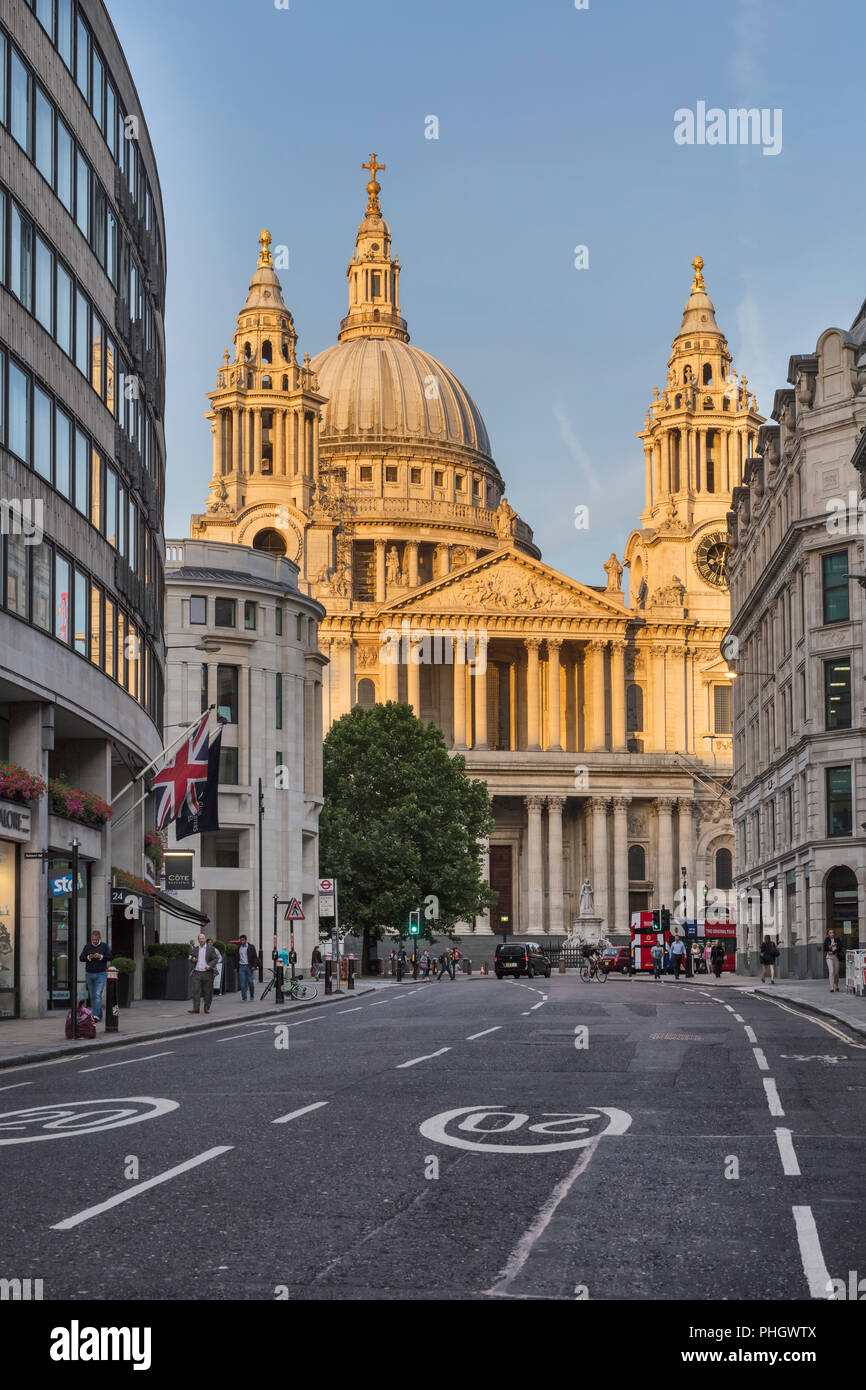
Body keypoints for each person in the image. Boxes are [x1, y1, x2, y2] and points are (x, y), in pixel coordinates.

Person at [79, 930, 112, 1023]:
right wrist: (89, 957)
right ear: (91, 938)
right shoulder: (87, 946)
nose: (94, 942)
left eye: (96, 940)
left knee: (97, 994)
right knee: (93, 996)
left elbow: (110, 957)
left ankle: (95, 1015)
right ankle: (99, 1016)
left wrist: (100, 956)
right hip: (89, 973)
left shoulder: (104, 946)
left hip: (101, 973)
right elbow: (81, 958)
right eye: (93, 940)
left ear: (99, 938)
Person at [188, 933, 220, 1014]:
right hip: (197, 972)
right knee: (196, 991)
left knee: (207, 992)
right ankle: (196, 1008)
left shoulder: (210, 948)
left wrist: (209, 965)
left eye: (203, 938)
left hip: (207, 973)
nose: (202, 940)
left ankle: (206, 1008)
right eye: (200, 939)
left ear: (205, 939)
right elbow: (191, 957)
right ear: (198, 940)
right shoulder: (195, 949)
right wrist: (193, 959)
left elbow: (216, 958)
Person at [237, 934, 259, 1000]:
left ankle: (252, 995)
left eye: (243, 940)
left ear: (246, 940)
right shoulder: (238, 948)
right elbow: (236, 958)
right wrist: (235, 967)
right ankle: (244, 997)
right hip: (241, 967)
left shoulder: (251, 947)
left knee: (251, 982)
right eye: (240, 940)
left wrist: (254, 966)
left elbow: (255, 957)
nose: (242, 942)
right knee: (242, 984)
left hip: (249, 967)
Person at [824, 928, 844, 992]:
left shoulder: (837, 939)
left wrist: (834, 950)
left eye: (832, 932)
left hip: (836, 957)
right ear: (828, 934)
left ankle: (837, 985)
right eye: (830, 933)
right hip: (829, 957)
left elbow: (840, 947)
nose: (831, 934)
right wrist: (830, 947)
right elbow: (825, 948)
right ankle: (831, 987)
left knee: (836, 973)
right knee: (831, 971)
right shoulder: (826, 940)